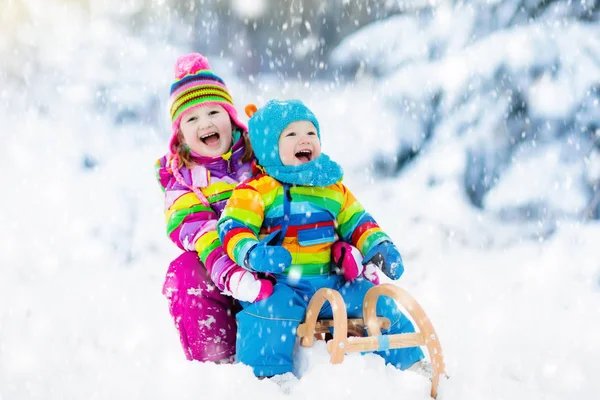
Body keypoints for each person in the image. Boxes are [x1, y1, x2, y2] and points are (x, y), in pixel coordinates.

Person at [217, 99, 430, 377]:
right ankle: (266, 377)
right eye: (291, 135)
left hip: (332, 283)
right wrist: (252, 252)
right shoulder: (258, 190)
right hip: (283, 284)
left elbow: (358, 221)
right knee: (269, 312)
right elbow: (233, 226)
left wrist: (379, 245)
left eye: (311, 133)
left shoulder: (332, 188)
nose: (304, 139)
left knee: (375, 300)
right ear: (270, 147)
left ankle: (411, 364)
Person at [156, 53, 275, 363]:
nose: (205, 123)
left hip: (276, 265)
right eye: (192, 119)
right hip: (221, 273)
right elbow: (204, 234)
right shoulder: (182, 182)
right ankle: (219, 362)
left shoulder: (261, 156)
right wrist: (236, 277)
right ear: (180, 136)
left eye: (213, 112)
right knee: (184, 274)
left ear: (231, 118)